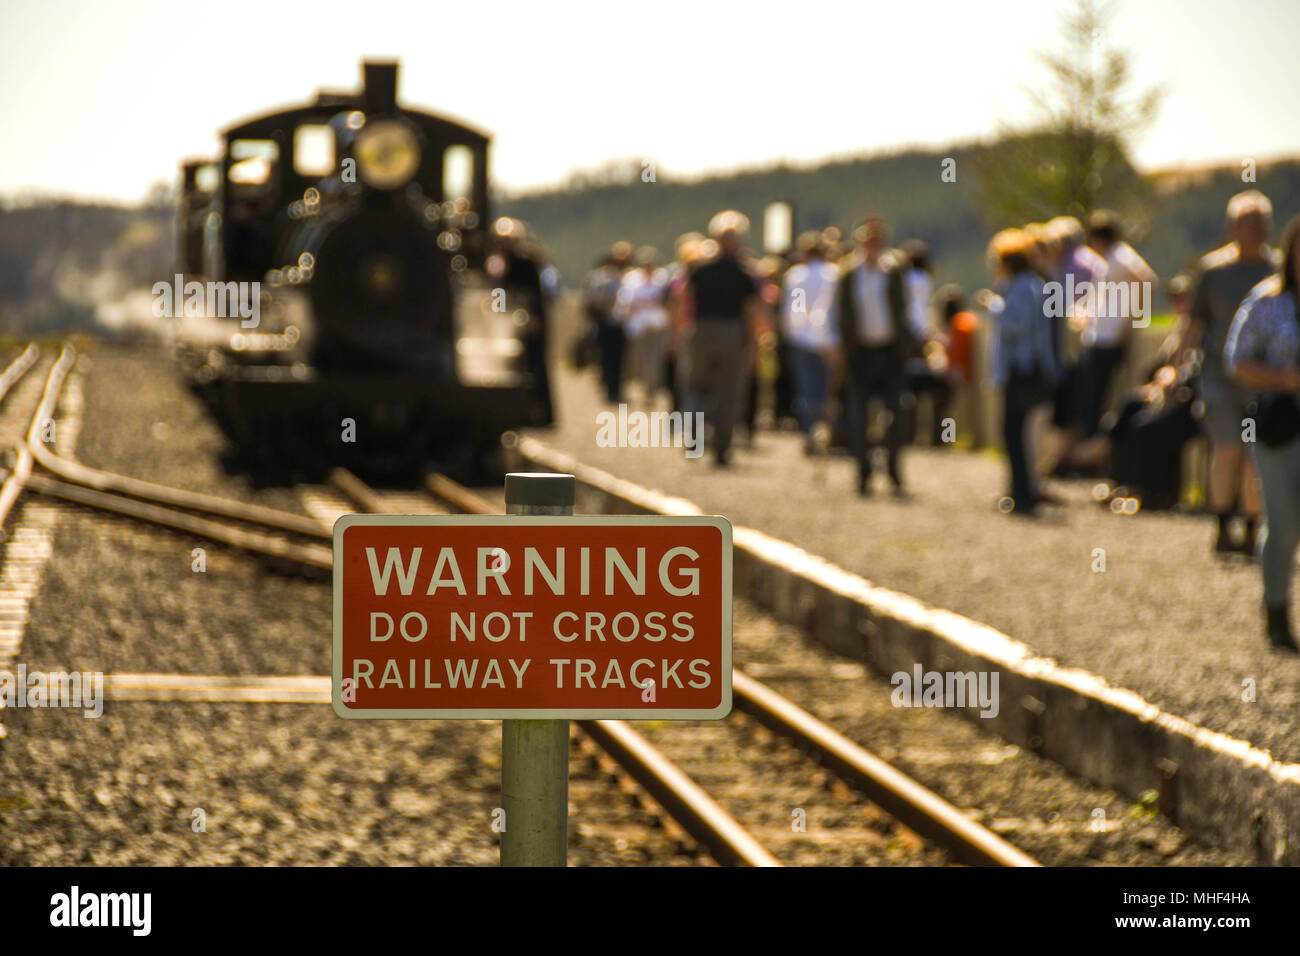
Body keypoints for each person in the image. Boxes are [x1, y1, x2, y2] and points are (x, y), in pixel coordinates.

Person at [1182, 191, 1279, 555]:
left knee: (1256, 452)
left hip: (1264, 378)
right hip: (1218, 375)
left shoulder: (1277, 271)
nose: (1255, 230)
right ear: (1234, 227)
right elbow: (1194, 322)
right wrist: (1175, 367)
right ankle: (1222, 523)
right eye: (1247, 223)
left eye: (1261, 223)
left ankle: (1253, 531)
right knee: (1227, 448)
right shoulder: (1214, 271)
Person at [1224, 211, 1300, 652]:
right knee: (1285, 520)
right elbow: (1237, 360)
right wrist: (1285, 379)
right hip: (1279, 426)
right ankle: (1276, 613)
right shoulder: (1268, 300)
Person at [836, 217, 919, 496]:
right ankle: (863, 472)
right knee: (859, 416)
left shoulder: (893, 271)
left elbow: (906, 308)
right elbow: (840, 314)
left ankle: (895, 472)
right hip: (860, 353)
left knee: (896, 413)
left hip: (889, 351)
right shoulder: (848, 273)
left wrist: (908, 344)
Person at [679, 211, 765, 466]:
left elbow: (685, 300)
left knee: (696, 386)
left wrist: (681, 332)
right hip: (731, 333)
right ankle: (722, 449)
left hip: (702, 330)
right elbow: (752, 311)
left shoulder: (699, 269)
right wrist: (756, 343)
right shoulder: (743, 273)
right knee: (727, 392)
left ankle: (693, 439)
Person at [986, 228, 1059, 515]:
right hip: (1026, 371)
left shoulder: (1021, 287)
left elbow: (1016, 324)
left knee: (1015, 434)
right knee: (1019, 435)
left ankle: (1022, 494)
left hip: (1021, 371)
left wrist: (992, 306)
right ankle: (1021, 491)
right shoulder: (1032, 284)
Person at [1077, 210, 1157, 443]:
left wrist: (1132, 320)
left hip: (1110, 338)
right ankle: (1092, 448)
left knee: (1098, 398)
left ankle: (1096, 449)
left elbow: (1147, 281)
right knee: (1092, 397)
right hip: (1100, 335)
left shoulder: (1121, 256)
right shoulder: (1110, 258)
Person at [488, 217, 553, 424]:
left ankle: (542, 412)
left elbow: (533, 294)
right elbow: (499, 292)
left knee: (535, 364)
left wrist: (533, 317)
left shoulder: (527, 263)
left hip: (529, 319)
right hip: (508, 321)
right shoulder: (497, 263)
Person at [781, 231, 840, 450]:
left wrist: (793, 333)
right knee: (828, 389)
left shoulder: (797, 276)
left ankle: (809, 431)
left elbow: (794, 310)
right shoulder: (833, 273)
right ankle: (830, 431)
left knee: (806, 388)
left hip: (803, 339)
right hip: (830, 341)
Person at [615, 246, 671, 404]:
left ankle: (651, 391)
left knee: (654, 360)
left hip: (657, 326)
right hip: (638, 328)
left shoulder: (662, 279)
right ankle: (639, 388)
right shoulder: (632, 279)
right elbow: (626, 302)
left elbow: (666, 301)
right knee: (638, 361)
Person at [582, 241, 633, 403]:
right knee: (608, 357)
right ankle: (610, 390)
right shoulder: (605, 277)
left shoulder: (626, 277)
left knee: (617, 358)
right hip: (607, 322)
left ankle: (614, 389)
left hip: (619, 323)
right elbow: (594, 300)